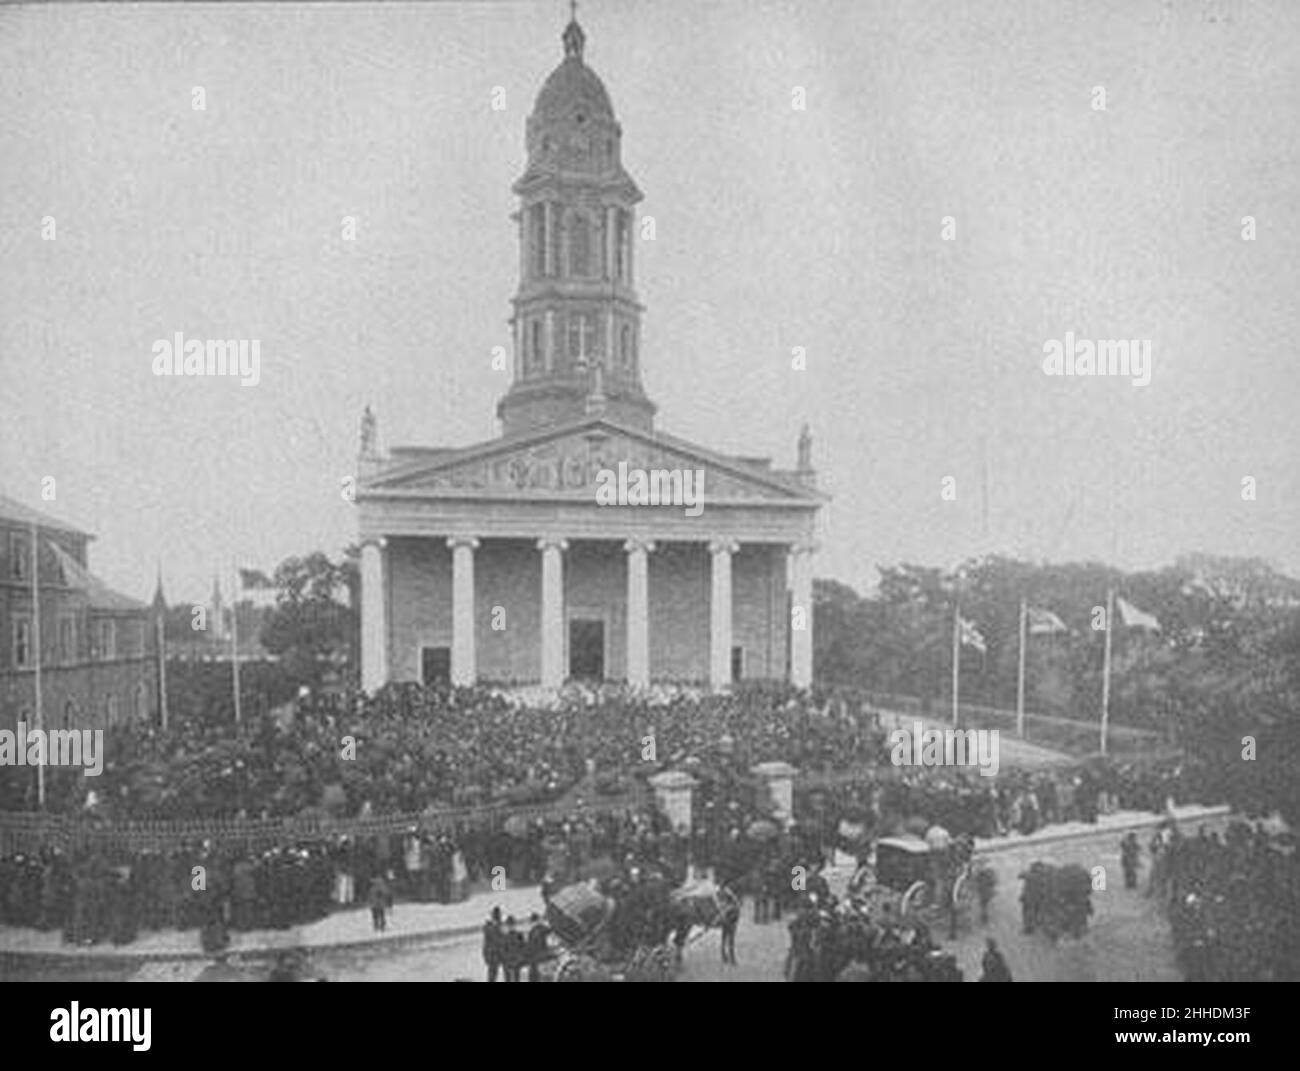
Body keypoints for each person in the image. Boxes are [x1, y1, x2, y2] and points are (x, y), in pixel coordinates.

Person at [718, 884, 740, 965]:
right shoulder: (728, 893)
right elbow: (734, 906)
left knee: (725, 938)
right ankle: (731, 958)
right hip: (730, 919)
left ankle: (725, 955)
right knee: (730, 940)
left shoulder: (723, 892)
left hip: (728, 918)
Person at [501, 915, 527, 982]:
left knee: (517, 978)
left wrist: (521, 958)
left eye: (512, 924)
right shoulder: (505, 937)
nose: (511, 926)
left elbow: (524, 947)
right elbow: (503, 950)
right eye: (509, 925)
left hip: (517, 961)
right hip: (509, 963)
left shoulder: (519, 935)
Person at [526, 912, 550, 982]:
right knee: (543, 976)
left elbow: (529, 946)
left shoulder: (532, 931)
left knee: (535, 976)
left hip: (535, 958)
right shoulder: (543, 928)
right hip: (542, 957)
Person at [483, 906, 503, 982]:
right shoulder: (492, 928)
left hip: (493, 955)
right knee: (492, 973)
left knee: (493, 973)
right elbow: (497, 940)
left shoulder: (492, 927)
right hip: (493, 955)